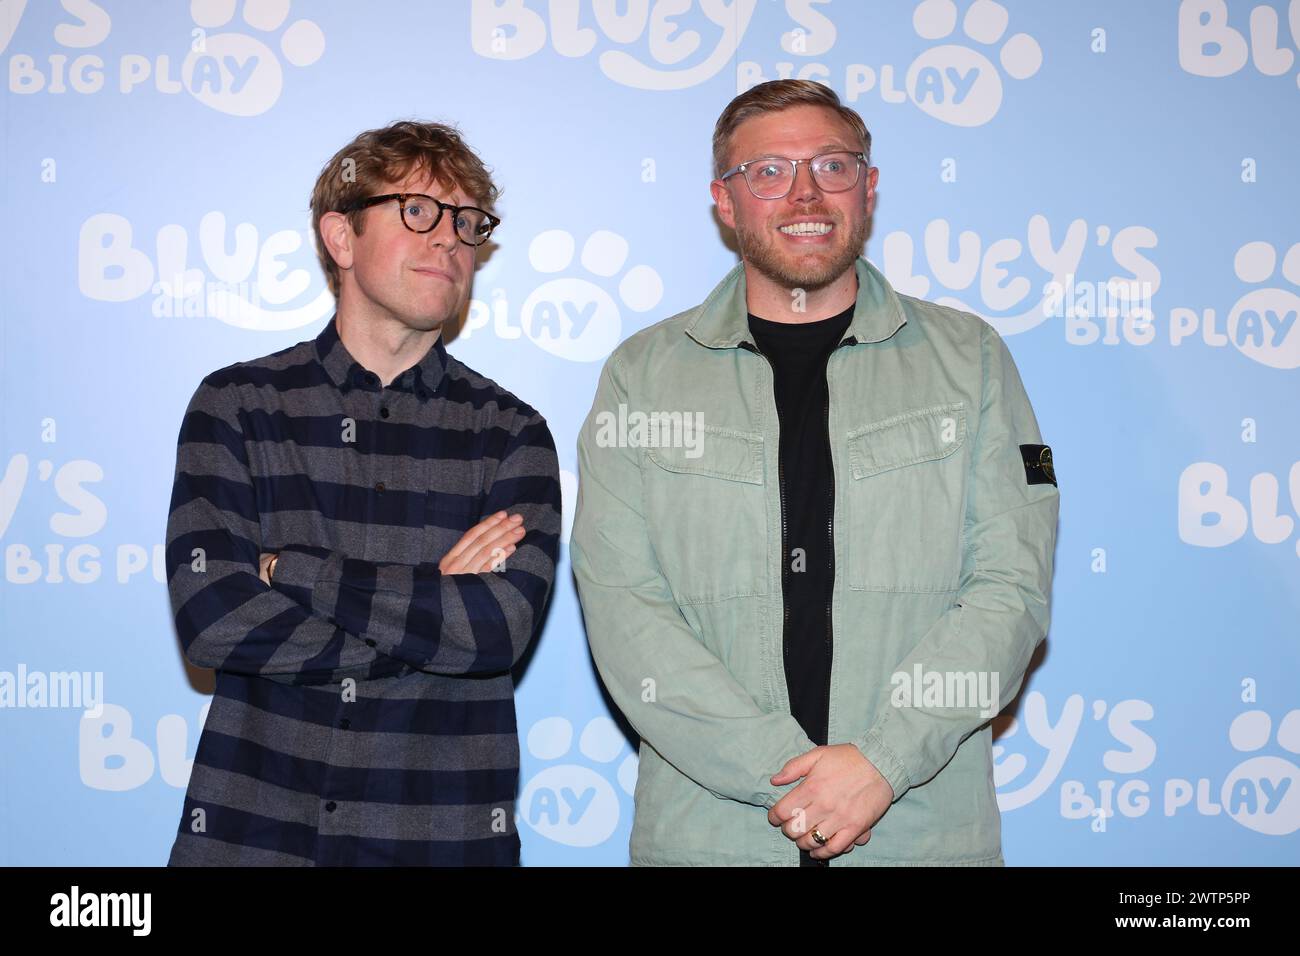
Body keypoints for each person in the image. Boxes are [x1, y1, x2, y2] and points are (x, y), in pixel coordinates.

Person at [572, 80, 1058, 866]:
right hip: (709, 839)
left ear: (867, 189)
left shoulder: (971, 362)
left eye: (832, 166)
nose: (804, 192)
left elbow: (1012, 586)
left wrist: (881, 763)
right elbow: (626, 610)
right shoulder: (643, 377)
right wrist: (796, 782)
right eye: (767, 171)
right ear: (724, 203)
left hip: (920, 836)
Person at [164, 120, 561, 866]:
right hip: (254, 835)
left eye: (468, 223)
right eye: (419, 210)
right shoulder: (238, 405)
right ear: (340, 238)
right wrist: (432, 601)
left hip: (440, 842)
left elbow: (494, 632)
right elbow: (214, 620)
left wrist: (293, 571)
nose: (451, 239)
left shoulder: (511, 433)